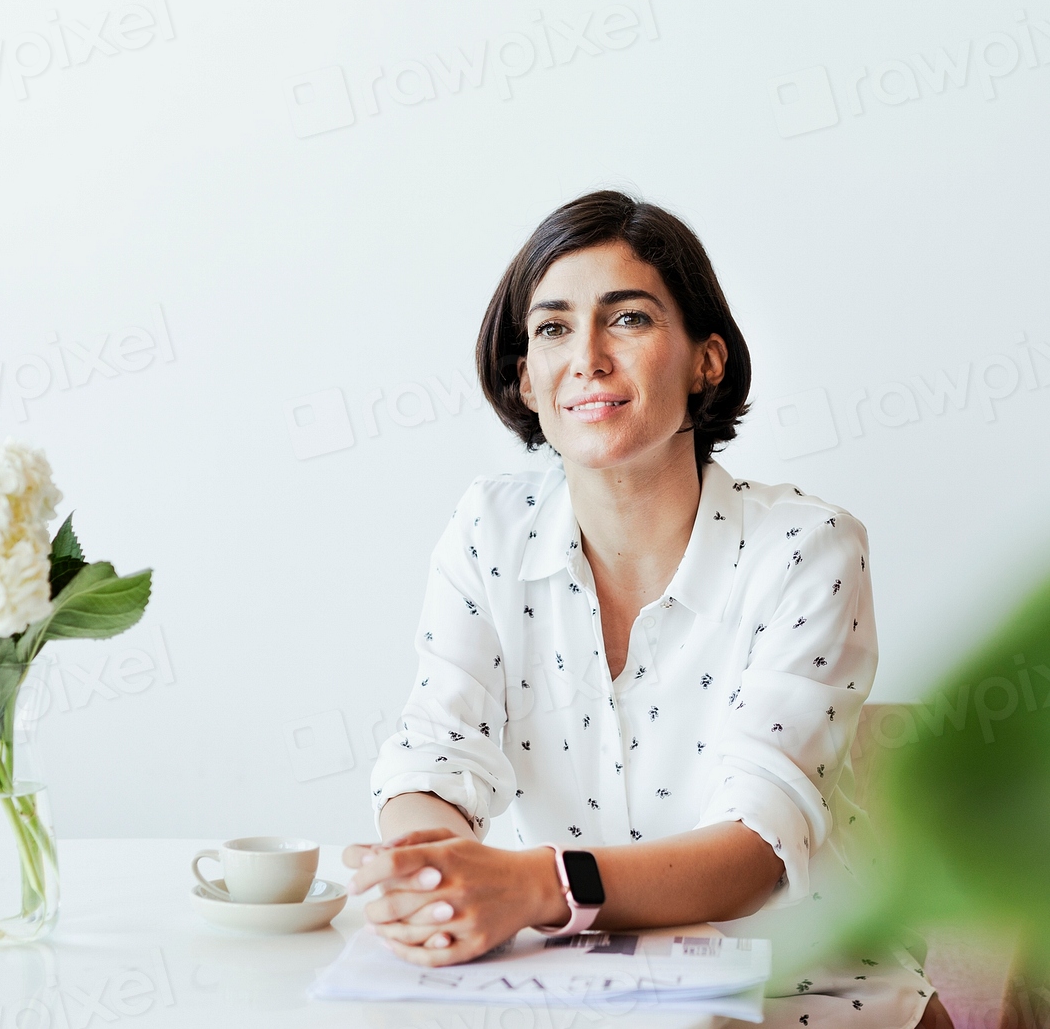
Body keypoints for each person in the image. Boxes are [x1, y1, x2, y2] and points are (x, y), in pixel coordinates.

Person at [344, 191, 954, 1029]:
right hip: (596, 995)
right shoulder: (487, 529)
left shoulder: (806, 548)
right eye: (553, 328)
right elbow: (436, 751)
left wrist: (533, 885)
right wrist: (425, 869)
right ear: (525, 375)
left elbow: (754, 847)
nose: (587, 357)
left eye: (626, 319)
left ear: (707, 360)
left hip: (816, 995)